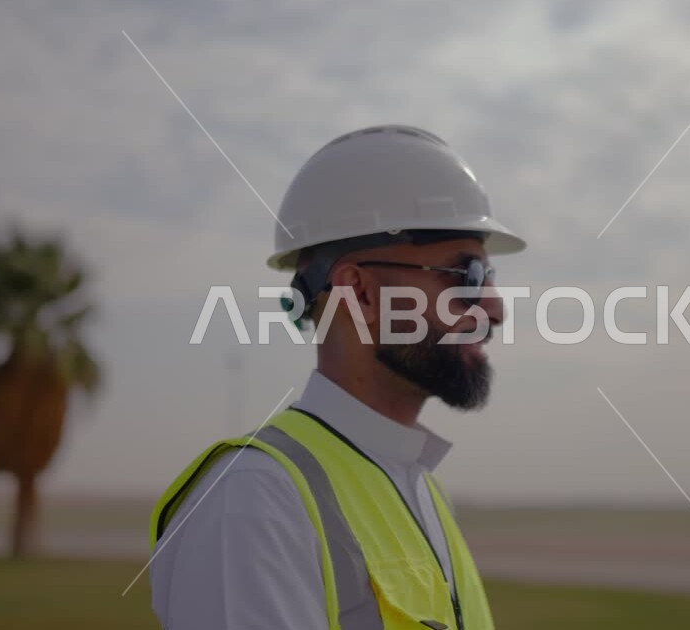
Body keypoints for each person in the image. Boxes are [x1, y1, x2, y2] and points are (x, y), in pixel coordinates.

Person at [148, 125, 526, 630]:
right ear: (359, 293)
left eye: (491, 279)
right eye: (469, 276)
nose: (496, 308)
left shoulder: (424, 493)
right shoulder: (255, 501)